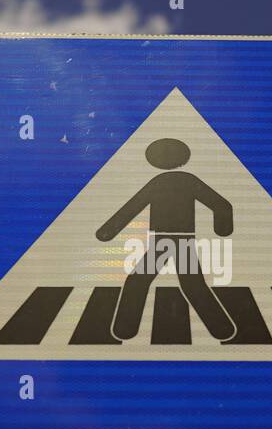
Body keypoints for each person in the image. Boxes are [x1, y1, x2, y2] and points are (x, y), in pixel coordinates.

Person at [95, 138, 236, 341]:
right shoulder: (188, 180)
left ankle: (125, 329)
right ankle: (222, 329)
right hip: (181, 241)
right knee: (191, 285)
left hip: (162, 241)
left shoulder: (159, 182)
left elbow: (132, 207)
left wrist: (107, 232)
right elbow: (222, 205)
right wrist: (222, 228)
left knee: (138, 281)